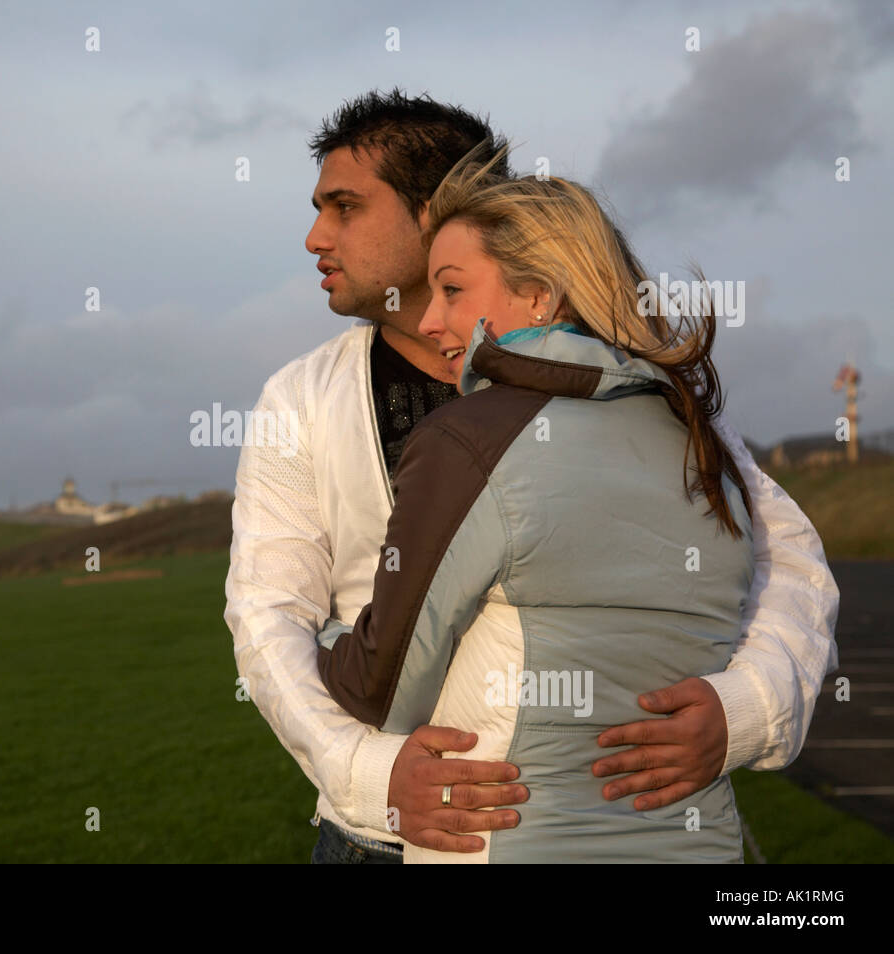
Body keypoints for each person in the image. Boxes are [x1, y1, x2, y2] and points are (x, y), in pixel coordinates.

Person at [223, 89, 839, 864]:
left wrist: (742, 710)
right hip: (375, 837)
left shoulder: (646, 388)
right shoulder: (303, 399)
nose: (316, 236)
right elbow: (266, 610)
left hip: (626, 831)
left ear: (438, 209)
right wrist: (369, 772)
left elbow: (791, 562)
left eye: (345, 207)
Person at [318, 143, 758, 863]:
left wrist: (322, 637)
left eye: (452, 291)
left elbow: (381, 690)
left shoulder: (467, 441)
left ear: (540, 296)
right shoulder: (701, 443)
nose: (431, 322)